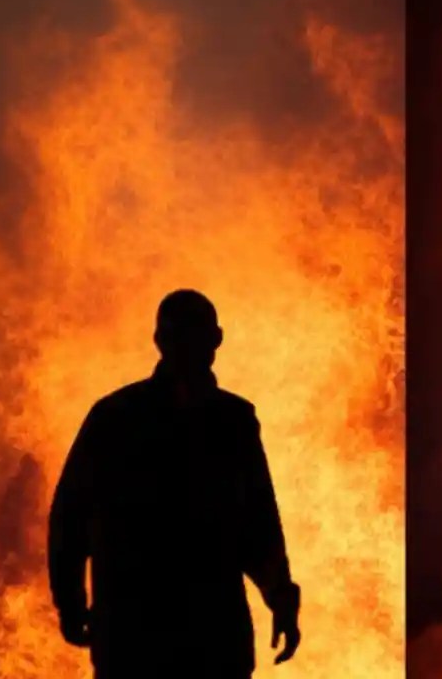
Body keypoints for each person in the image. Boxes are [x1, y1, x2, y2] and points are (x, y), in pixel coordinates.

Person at [47, 289, 302, 678]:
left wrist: (72, 604)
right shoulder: (225, 421)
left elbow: (70, 517)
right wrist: (280, 597)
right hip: (191, 641)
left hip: (145, 640)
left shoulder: (118, 416)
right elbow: (259, 527)